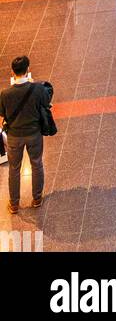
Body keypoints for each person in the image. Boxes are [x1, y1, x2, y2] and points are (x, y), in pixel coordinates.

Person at [0, 55, 53, 213]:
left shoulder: (5, 94)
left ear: (12, 72)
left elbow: (2, 114)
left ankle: (14, 204)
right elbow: (46, 102)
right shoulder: (37, 89)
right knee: (36, 164)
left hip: (14, 137)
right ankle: (37, 199)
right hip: (34, 134)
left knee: (14, 169)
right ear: (28, 70)